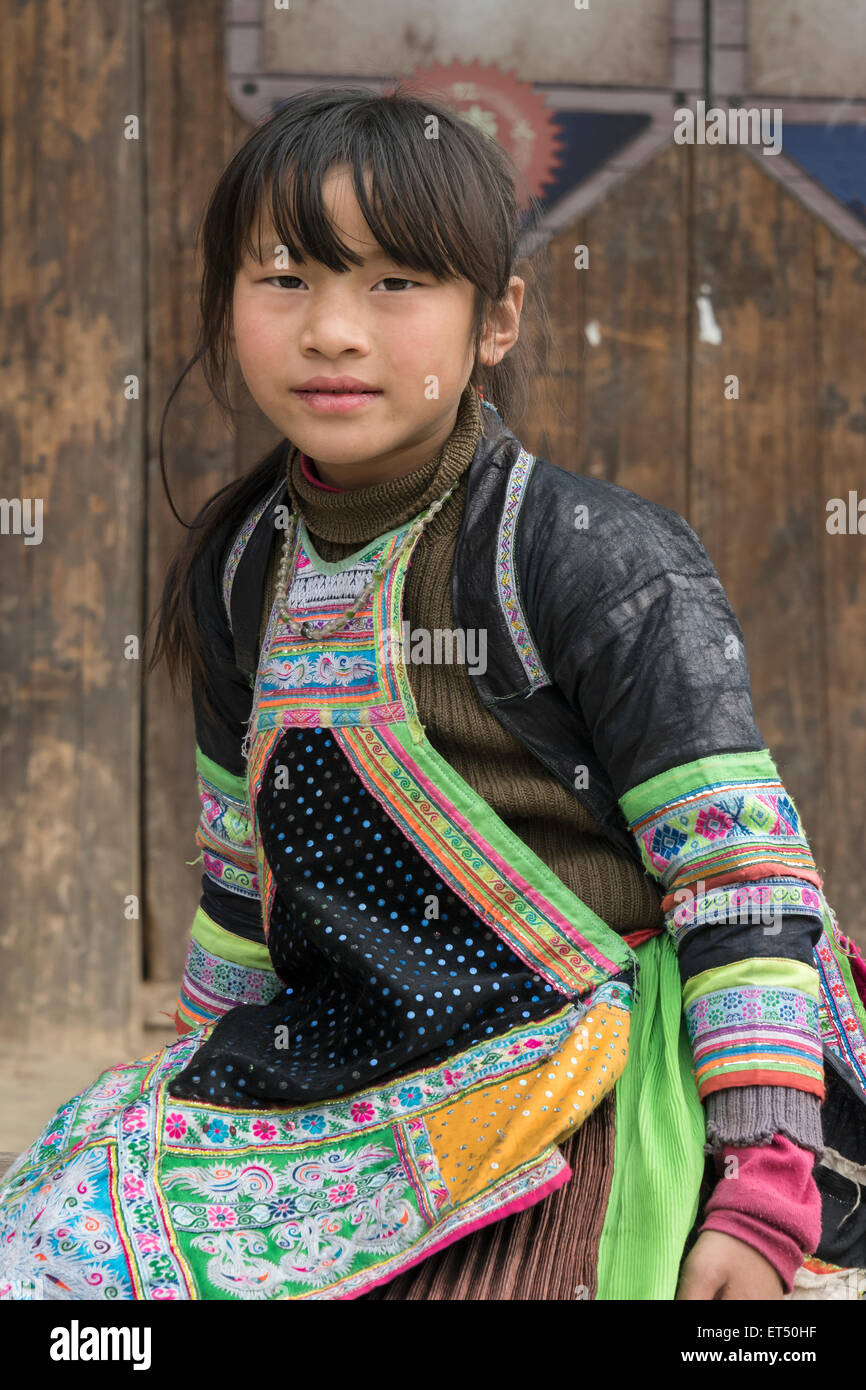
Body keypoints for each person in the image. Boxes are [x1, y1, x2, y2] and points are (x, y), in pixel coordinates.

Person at [2, 85, 865, 1303]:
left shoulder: (589, 557)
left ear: (495, 318)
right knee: (66, 1238)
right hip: (352, 1077)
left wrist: (763, 1182)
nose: (334, 332)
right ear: (224, 305)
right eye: (285, 278)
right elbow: (242, 887)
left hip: (590, 1078)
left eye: (397, 283)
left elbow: (742, 881)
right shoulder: (241, 568)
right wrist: (193, 1106)